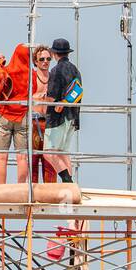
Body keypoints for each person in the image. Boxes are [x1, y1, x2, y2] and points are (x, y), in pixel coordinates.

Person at [0, 44, 45, 184]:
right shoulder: (32, 75)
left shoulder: (6, 70)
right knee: (22, 157)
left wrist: (0, 62)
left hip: (3, 115)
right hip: (23, 117)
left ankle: (1, 188)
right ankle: (20, 188)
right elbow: (33, 92)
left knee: (1, 157)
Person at [44, 38, 81, 183]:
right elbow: (78, 91)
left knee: (49, 152)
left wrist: (42, 99)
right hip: (72, 116)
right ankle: (70, 185)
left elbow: (51, 98)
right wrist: (66, 102)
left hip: (57, 118)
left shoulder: (55, 70)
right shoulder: (75, 69)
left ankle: (67, 181)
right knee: (63, 153)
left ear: (54, 54)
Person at [29, 45, 57, 183]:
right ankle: (32, 195)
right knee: (33, 161)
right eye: (42, 59)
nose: (45, 61)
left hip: (50, 123)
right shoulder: (31, 77)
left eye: (48, 59)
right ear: (35, 61)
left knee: (50, 162)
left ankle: (50, 196)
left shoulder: (54, 78)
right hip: (34, 123)